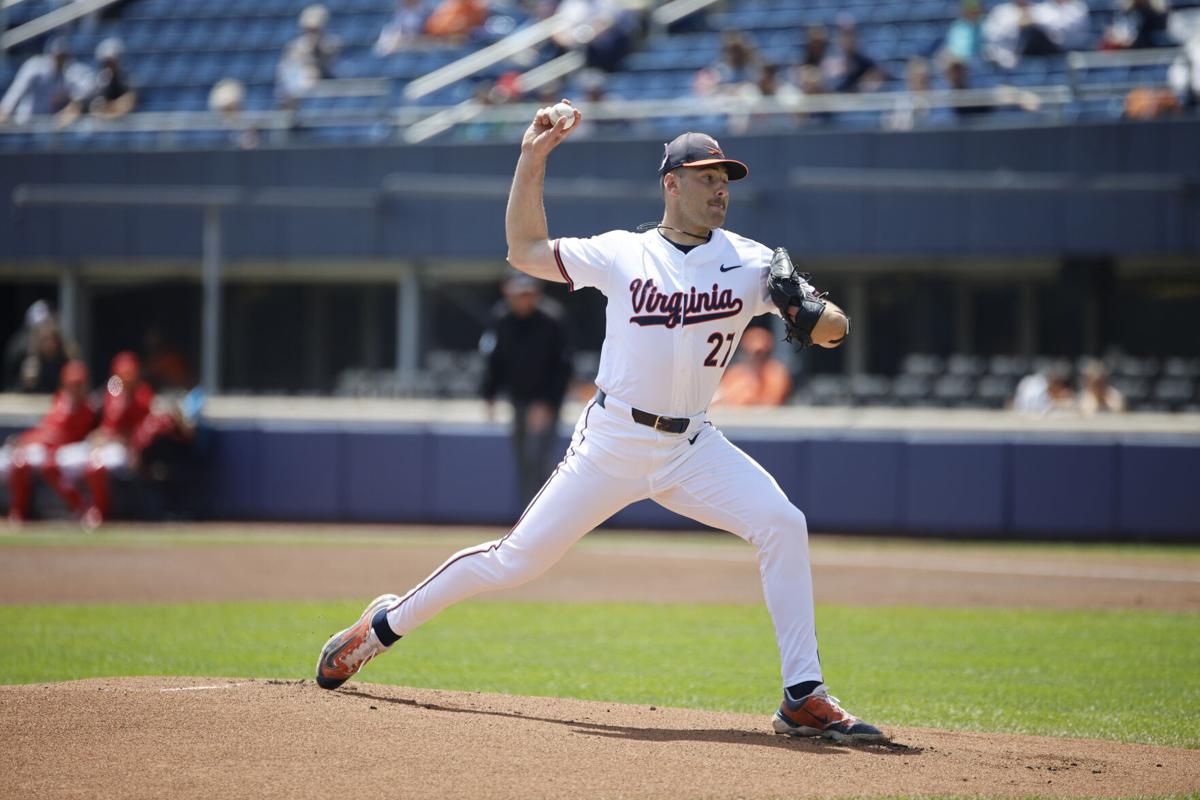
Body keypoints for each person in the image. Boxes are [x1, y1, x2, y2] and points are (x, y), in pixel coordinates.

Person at [315, 113, 885, 745]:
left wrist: (804, 305)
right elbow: (524, 251)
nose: (721, 188)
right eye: (706, 177)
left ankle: (802, 696)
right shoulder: (624, 253)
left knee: (782, 523)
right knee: (514, 562)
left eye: (726, 177)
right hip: (612, 441)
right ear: (672, 184)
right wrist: (532, 160)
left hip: (691, 446)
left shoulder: (751, 262)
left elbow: (836, 330)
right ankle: (382, 626)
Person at [480, 273, 572, 504]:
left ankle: (545, 515)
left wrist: (548, 403)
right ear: (508, 293)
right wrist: (489, 395)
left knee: (541, 458)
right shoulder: (501, 319)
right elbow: (494, 361)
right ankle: (526, 516)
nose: (524, 300)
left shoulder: (552, 319)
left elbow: (563, 367)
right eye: (520, 294)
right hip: (518, 399)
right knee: (523, 461)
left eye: (529, 294)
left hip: (545, 402)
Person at [44, 351, 154, 528]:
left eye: (129, 375)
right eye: (122, 375)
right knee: (51, 463)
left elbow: (139, 433)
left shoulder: (142, 396)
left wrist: (115, 439)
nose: (126, 380)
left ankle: (100, 515)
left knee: (95, 466)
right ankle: (81, 508)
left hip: (123, 451)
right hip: (99, 445)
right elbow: (97, 422)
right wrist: (98, 435)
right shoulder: (111, 391)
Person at [2, 361, 95, 524]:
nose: (75, 388)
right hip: (35, 445)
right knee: (12, 460)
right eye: (72, 384)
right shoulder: (59, 401)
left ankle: (18, 514)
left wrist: (30, 441)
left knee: (23, 462)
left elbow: (61, 437)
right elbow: (45, 429)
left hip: (57, 453)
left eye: (78, 385)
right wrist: (24, 439)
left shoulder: (86, 410)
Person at [0, 37, 93, 125]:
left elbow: (86, 87)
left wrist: (70, 97)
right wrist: (5, 110)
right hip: (26, 121)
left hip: (47, 124)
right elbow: (17, 90)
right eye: (58, 56)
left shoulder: (68, 72)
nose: (60, 59)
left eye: (63, 56)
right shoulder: (35, 67)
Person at [276, 4, 340, 110]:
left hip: (325, 99)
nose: (311, 34)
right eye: (308, 30)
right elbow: (286, 80)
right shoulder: (294, 49)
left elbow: (335, 73)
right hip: (301, 99)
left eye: (315, 30)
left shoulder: (333, 46)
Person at [715, 326, 792, 406]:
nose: (756, 357)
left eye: (760, 352)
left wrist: (749, 397)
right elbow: (721, 399)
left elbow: (772, 402)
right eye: (751, 352)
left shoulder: (776, 373)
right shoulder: (734, 373)